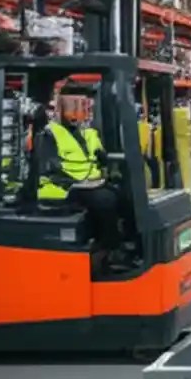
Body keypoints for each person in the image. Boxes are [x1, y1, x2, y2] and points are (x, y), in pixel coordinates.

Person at [35, 94, 127, 261]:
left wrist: (106, 162)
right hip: (64, 187)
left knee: (124, 194)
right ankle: (109, 247)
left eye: (79, 106)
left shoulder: (87, 133)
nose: (76, 111)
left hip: (89, 183)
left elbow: (99, 156)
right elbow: (49, 168)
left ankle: (120, 241)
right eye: (72, 106)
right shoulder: (50, 134)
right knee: (105, 200)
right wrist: (78, 182)